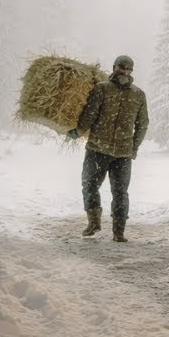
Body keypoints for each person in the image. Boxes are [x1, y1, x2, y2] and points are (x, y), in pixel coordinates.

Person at [68, 55, 149, 242]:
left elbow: (142, 124)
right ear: (115, 67)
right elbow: (90, 114)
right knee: (104, 189)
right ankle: (100, 224)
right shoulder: (107, 89)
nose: (124, 71)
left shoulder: (119, 91)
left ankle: (114, 230)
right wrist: (79, 129)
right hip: (105, 150)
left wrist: (133, 147)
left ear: (130, 71)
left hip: (108, 151)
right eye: (122, 68)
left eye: (127, 69)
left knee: (103, 188)